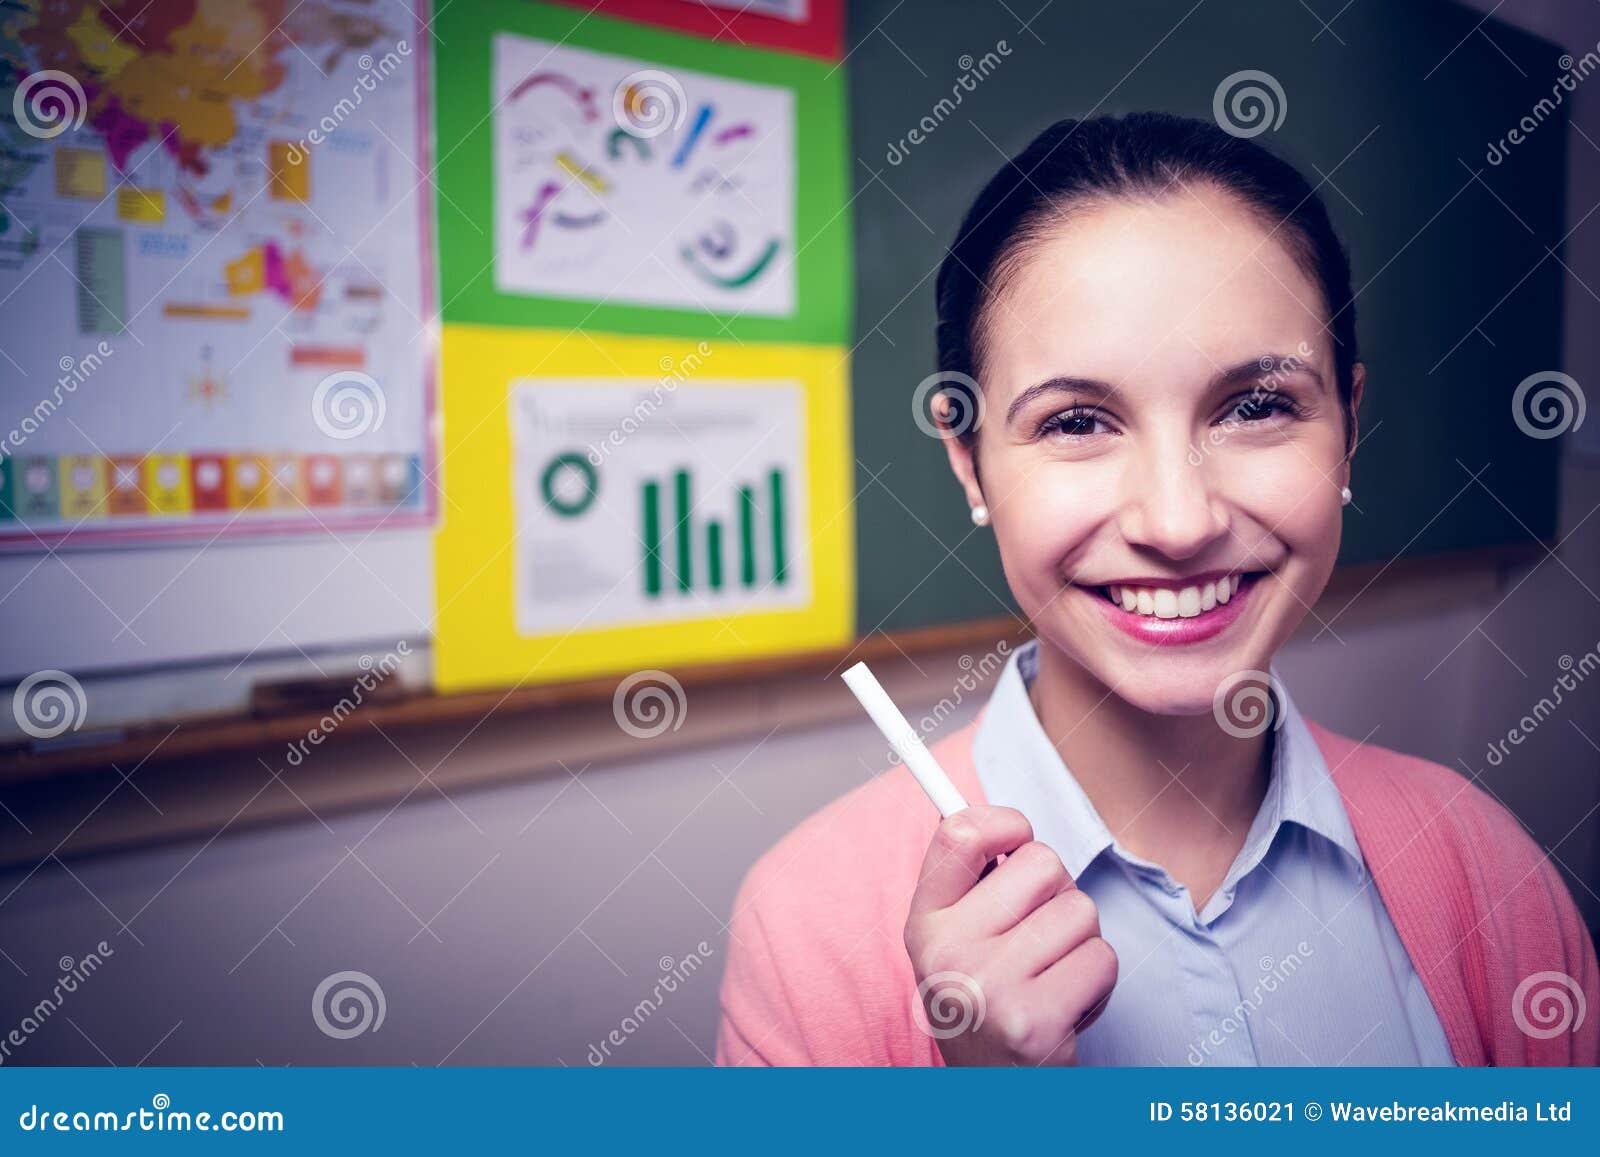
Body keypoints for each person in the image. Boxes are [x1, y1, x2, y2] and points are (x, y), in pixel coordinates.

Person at [715, 111, 1599, 1067]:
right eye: (1077, 421)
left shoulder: (1484, 864)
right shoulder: (807, 924)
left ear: (1348, 423)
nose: (1179, 523)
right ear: (968, 460)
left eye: (1257, 406)